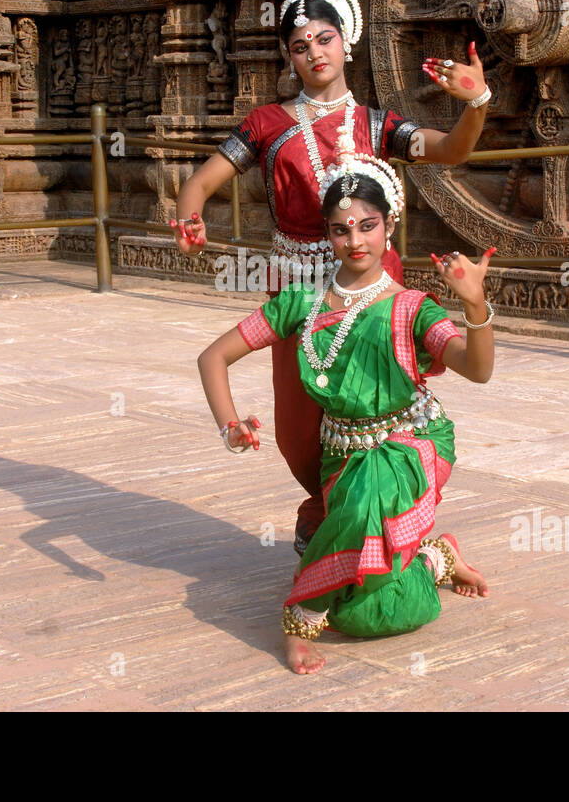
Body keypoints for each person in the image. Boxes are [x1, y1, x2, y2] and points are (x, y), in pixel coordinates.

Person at [175, 0, 492, 557]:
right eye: (300, 45)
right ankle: (331, 510)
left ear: (346, 42)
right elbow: (201, 182)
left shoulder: (377, 124)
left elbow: (451, 151)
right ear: (289, 56)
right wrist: (188, 218)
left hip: (374, 287)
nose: (314, 53)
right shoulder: (268, 123)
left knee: (381, 412)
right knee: (298, 430)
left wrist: (474, 104)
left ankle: (374, 528)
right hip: (299, 289)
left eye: (324, 39)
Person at [197, 122, 495, 673]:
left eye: (367, 225)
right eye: (340, 229)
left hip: (410, 447)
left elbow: (476, 370)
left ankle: (300, 613)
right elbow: (212, 358)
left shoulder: (412, 307)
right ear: (326, 234)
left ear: (389, 227)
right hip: (342, 455)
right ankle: (435, 558)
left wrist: (476, 309)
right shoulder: (302, 304)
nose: (355, 240)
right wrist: (230, 426)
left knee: (365, 501)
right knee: (375, 611)